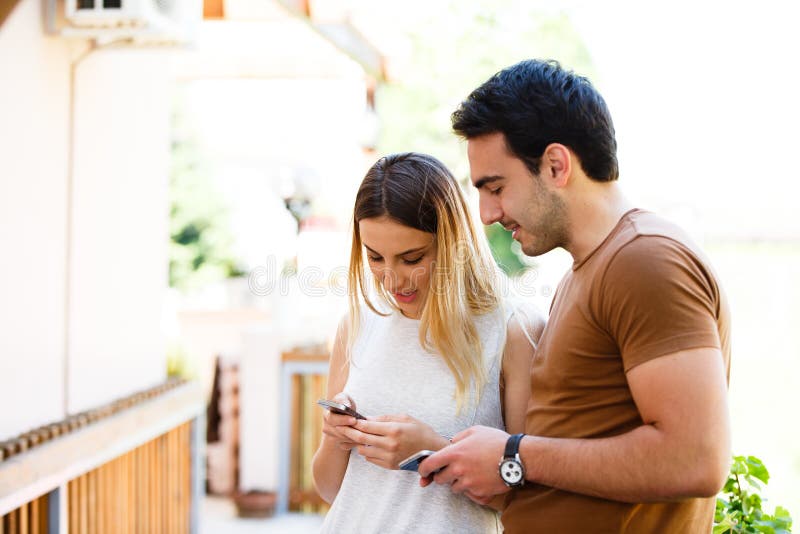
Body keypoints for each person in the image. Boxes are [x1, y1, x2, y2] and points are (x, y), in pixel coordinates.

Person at [418, 59, 732, 533]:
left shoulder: (646, 261)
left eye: (496, 187)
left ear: (556, 165)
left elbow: (695, 459)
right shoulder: (590, 268)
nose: (485, 214)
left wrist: (513, 454)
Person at [311, 152, 544, 533]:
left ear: (453, 243)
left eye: (411, 258)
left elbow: (527, 502)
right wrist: (335, 439)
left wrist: (433, 452)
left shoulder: (513, 330)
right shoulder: (356, 326)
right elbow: (329, 488)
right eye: (375, 257)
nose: (392, 279)